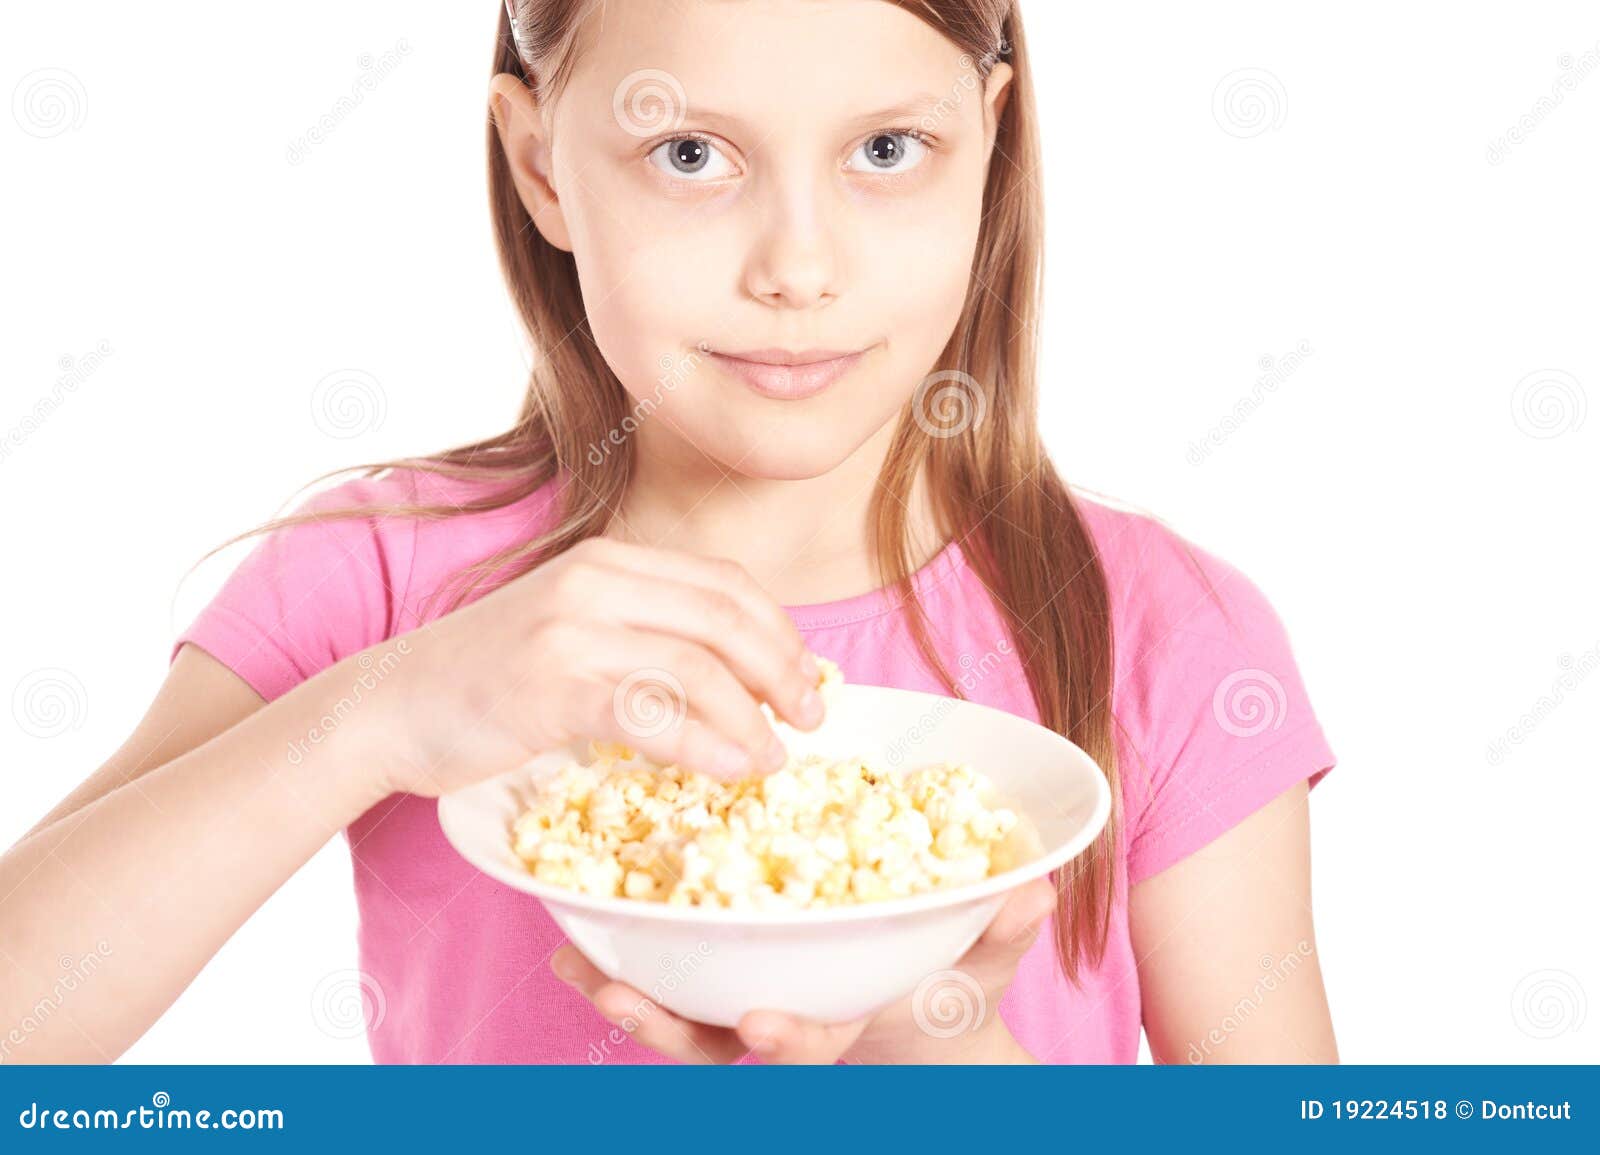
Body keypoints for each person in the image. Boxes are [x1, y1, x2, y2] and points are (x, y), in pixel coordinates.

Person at [0, 0, 1338, 1064]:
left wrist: (923, 1045)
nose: (798, 267)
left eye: (885, 150)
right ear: (542, 168)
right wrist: (383, 719)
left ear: (987, 144)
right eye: (691, 154)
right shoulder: (381, 580)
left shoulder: (1161, 634)